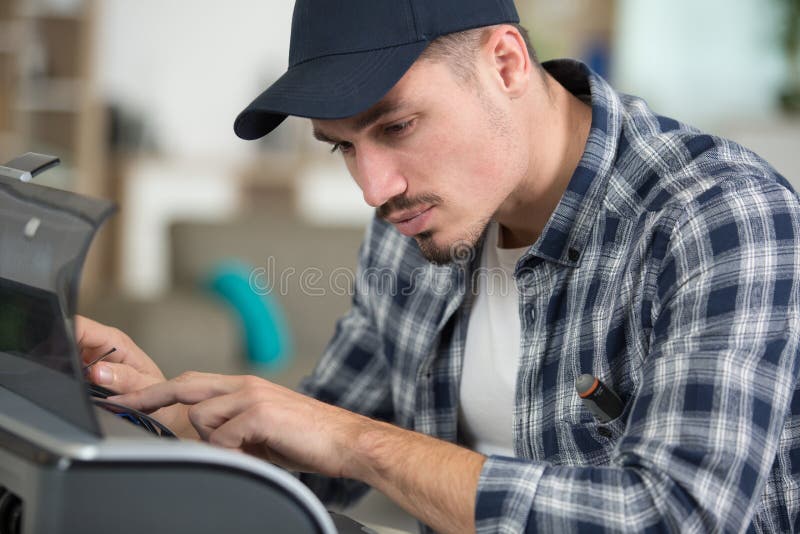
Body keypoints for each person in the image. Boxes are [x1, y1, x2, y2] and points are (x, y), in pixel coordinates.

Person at [78, 1, 800, 532]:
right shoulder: (408, 233)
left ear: (506, 63)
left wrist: (357, 443)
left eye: (396, 127)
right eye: (345, 147)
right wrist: (170, 415)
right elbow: (308, 468)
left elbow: (680, 518)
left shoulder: (716, 216)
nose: (374, 188)